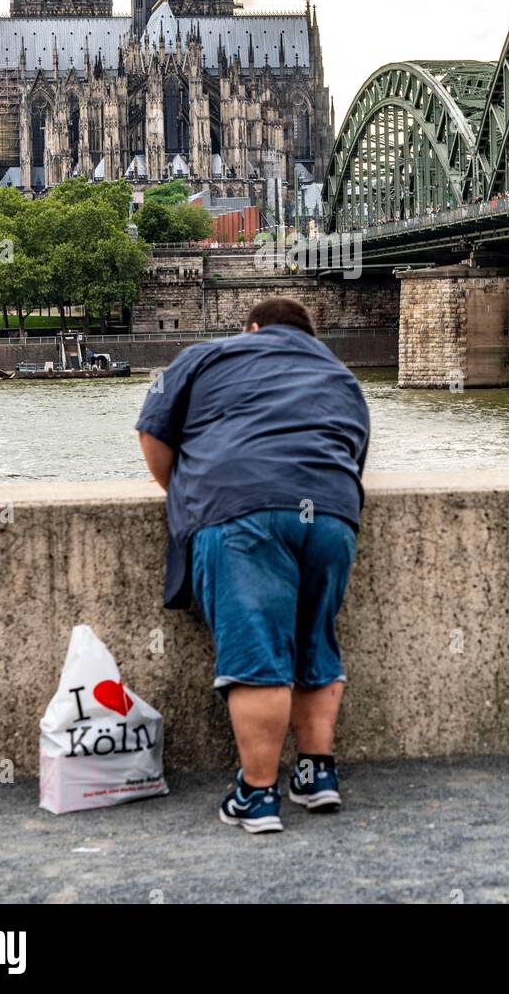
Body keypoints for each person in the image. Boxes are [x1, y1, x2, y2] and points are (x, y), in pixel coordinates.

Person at [136, 297, 370, 835]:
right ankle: (315, 775)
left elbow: (153, 432)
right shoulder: (341, 376)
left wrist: (188, 493)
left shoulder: (205, 355)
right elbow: (350, 455)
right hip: (331, 514)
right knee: (315, 640)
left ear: (253, 328)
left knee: (256, 654)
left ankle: (258, 795)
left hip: (241, 511)